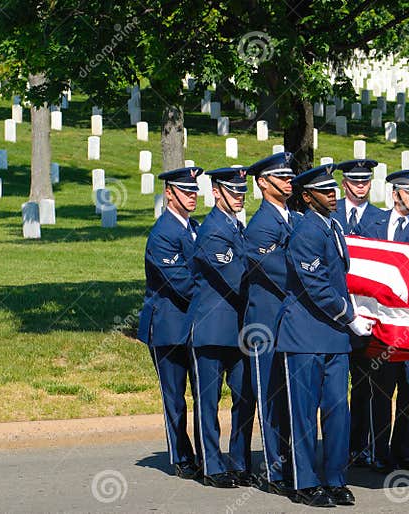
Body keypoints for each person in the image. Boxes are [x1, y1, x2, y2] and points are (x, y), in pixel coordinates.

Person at [276, 163, 375, 507]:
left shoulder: (333, 226)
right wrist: (350, 317)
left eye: (333, 190)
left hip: (333, 336)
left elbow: (338, 278)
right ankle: (305, 482)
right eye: (325, 191)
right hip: (305, 336)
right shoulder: (305, 231)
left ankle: (334, 478)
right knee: (303, 413)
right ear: (307, 197)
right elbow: (315, 286)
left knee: (337, 411)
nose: (333, 195)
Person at [185, 167, 254, 489]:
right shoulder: (213, 230)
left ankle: (239, 462)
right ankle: (211, 465)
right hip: (212, 330)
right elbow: (237, 279)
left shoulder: (236, 227)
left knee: (244, 397)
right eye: (233, 191)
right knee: (208, 401)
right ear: (216, 193)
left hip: (238, 330)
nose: (239, 196)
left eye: (242, 191)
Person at [137, 166, 202, 480]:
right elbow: (182, 284)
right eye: (186, 191)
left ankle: (202, 454)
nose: (192, 196)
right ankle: (181, 455)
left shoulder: (194, 227)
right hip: (168, 326)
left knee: (200, 392)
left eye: (194, 191)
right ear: (169, 193)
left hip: (191, 325)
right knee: (175, 396)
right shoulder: (163, 233)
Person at [363, 169, 409, 474]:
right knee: (380, 389)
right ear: (395, 194)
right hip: (381, 322)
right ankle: (377, 450)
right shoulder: (372, 223)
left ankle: (403, 452)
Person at [242, 152, 296, 496]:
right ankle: (275, 470)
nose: (289, 180)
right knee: (270, 396)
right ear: (263, 182)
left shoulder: (295, 218)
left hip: (289, 324)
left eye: (290, 175)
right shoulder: (262, 225)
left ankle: (290, 462)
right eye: (282, 176)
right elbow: (285, 274)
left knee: (290, 397)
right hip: (266, 325)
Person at [330, 158, 383, 468]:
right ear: (344, 183)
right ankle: (336, 446)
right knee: (334, 388)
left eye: (365, 181)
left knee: (364, 386)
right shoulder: (331, 214)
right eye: (355, 180)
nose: (361, 185)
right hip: (335, 314)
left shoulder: (379, 218)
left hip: (368, 315)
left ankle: (360, 446)